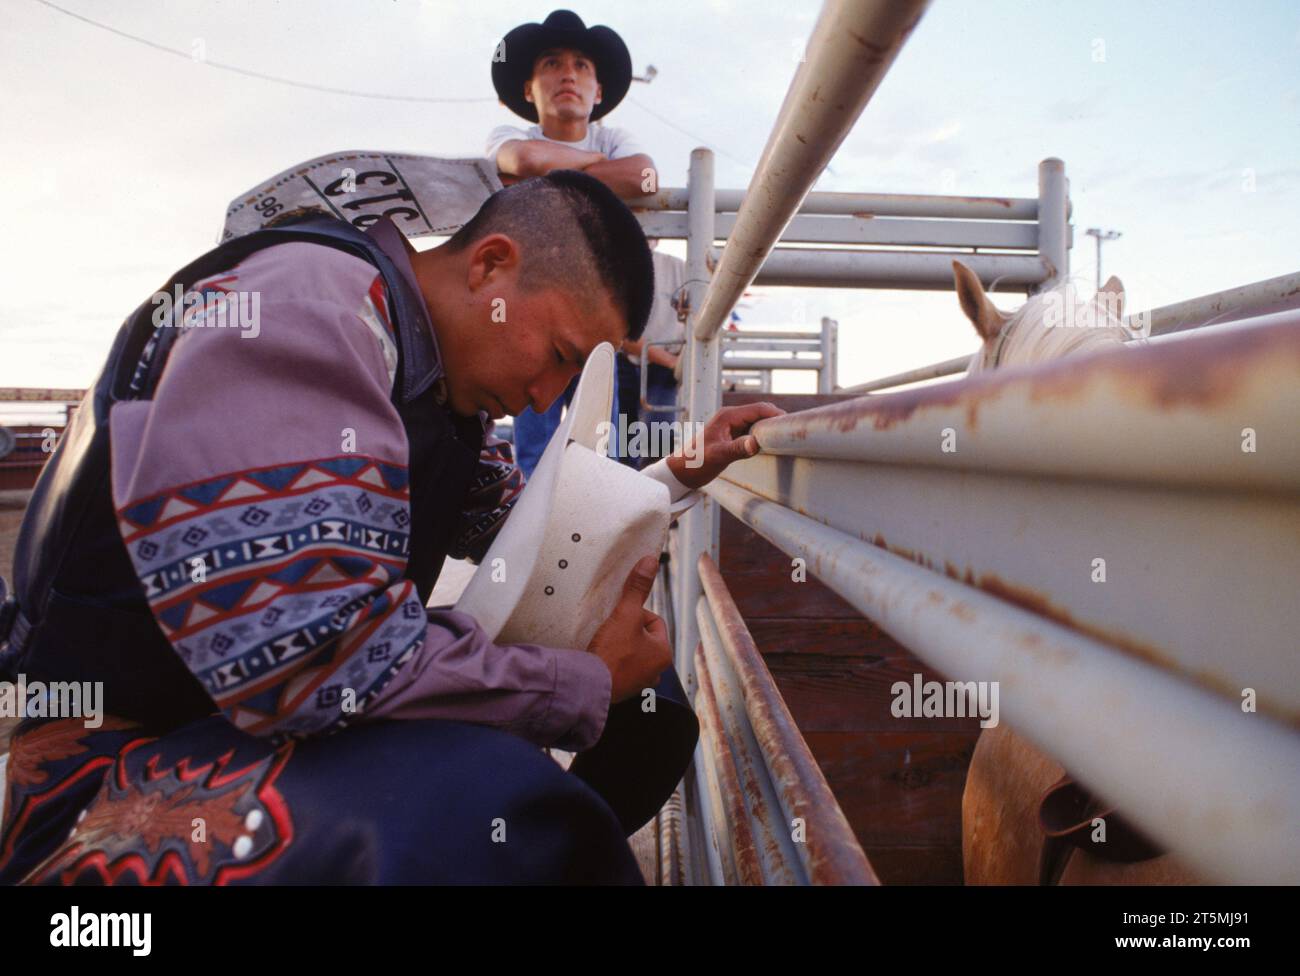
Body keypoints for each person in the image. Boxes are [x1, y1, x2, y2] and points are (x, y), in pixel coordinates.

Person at [0, 170, 781, 884]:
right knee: (480, 810)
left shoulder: (428, 380)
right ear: (490, 267)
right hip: (98, 774)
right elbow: (309, 662)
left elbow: (530, 527)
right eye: (558, 355)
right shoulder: (305, 310)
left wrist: (680, 470)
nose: (549, 397)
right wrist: (581, 683)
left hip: (228, 724)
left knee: (645, 703)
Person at [486, 9, 657, 475]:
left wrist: (542, 171)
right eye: (551, 64)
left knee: (607, 457)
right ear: (528, 88)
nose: (568, 74)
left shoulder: (613, 135)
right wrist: (598, 168)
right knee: (535, 459)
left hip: (600, 317)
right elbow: (518, 155)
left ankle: (606, 546)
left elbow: (643, 177)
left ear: (598, 91)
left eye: (582, 65)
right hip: (528, 317)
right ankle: (534, 544)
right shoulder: (512, 135)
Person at [619, 240, 686, 469]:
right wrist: (672, 361)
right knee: (622, 441)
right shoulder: (620, 266)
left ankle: (650, 490)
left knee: (656, 439)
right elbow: (620, 334)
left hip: (663, 363)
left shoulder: (680, 268)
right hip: (633, 360)